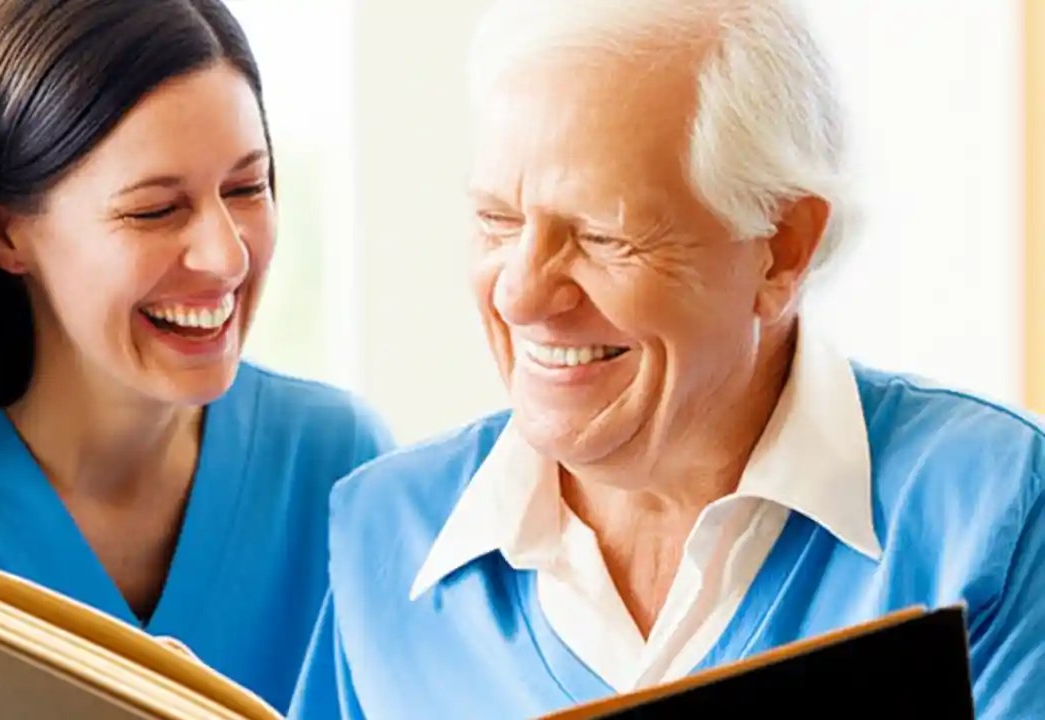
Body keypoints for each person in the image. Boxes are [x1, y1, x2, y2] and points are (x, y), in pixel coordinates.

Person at [287, 1, 1045, 718]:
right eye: (497, 221)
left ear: (783, 249)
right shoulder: (383, 535)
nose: (520, 295)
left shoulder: (994, 509)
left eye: (603, 237)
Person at [0, 1, 394, 717]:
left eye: (247, 189)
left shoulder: (340, 465)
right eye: (156, 210)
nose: (226, 255)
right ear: (3, 232)